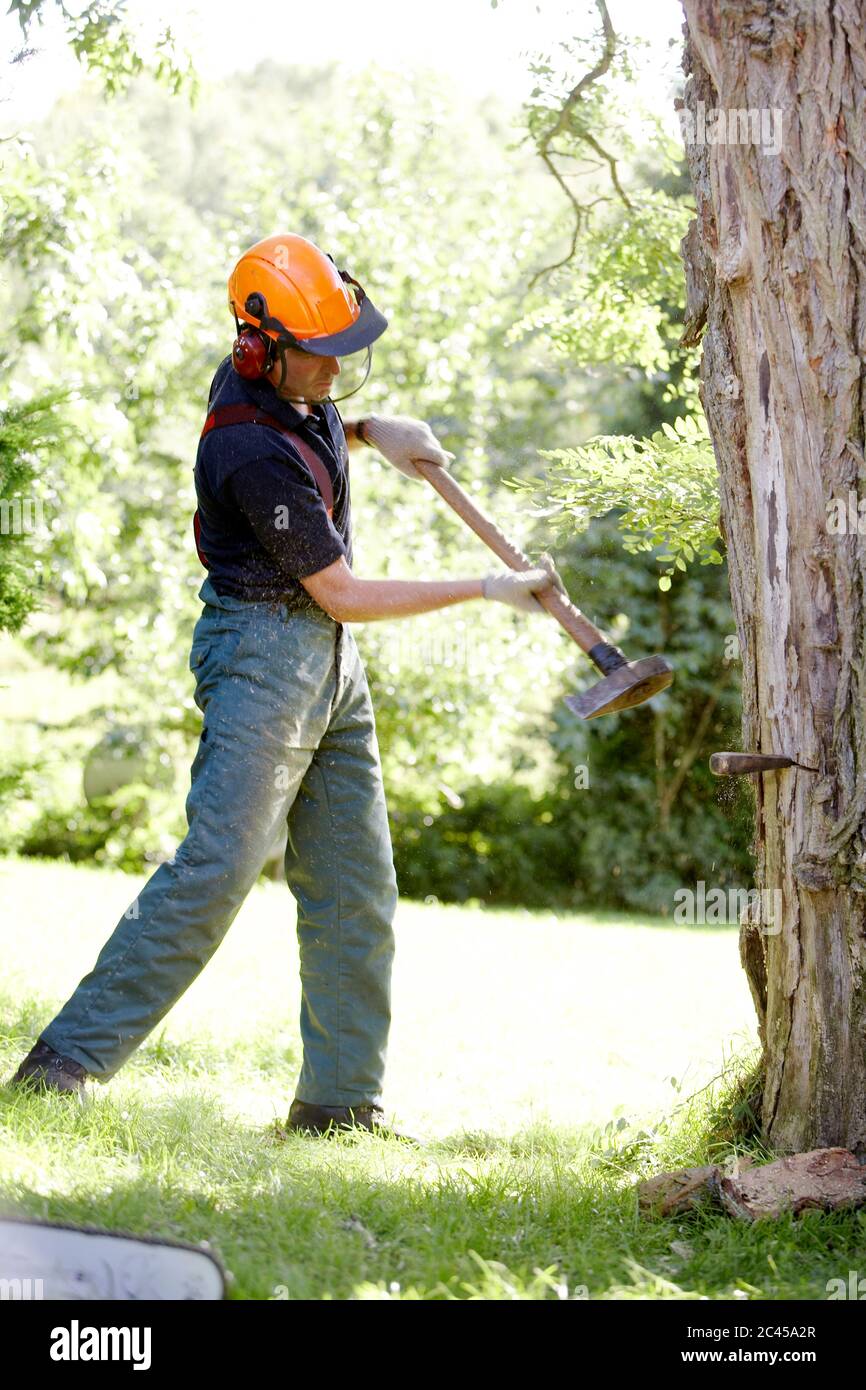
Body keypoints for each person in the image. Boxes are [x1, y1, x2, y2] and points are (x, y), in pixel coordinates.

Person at [9, 233, 564, 1139]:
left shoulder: (289, 395)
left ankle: (338, 1105)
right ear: (262, 347)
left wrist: (374, 431)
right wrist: (488, 589)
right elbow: (339, 587)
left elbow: (310, 431)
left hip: (330, 665)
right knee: (217, 871)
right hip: (265, 656)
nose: (339, 369)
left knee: (355, 883)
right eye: (325, 355)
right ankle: (59, 1068)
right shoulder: (245, 449)